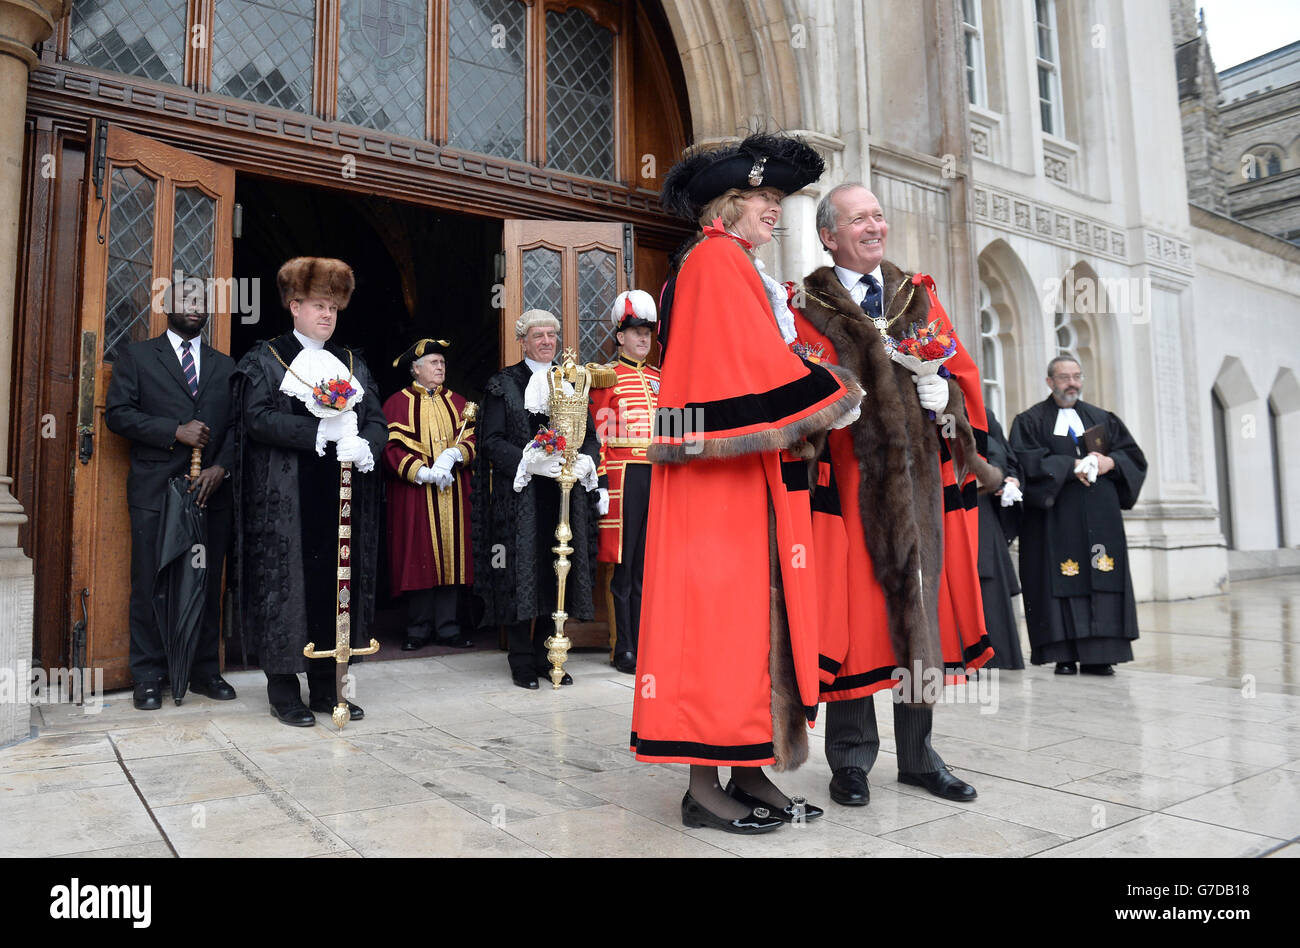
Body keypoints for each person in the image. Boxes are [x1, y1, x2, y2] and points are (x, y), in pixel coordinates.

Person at [630, 133, 862, 835]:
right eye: (763, 200)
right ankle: (704, 790)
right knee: (720, 629)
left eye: (776, 202)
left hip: (739, 477)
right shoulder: (715, 262)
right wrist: (838, 391)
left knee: (755, 628)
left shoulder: (729, 266)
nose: (775, 213)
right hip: (717, 486)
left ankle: (750, 769)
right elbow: (752, 371)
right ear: (726, 206)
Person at [793, 182, 997, 809]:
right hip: (850, 488)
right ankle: (851, 761)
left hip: (920, 487)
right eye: (859, 219)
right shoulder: (805, 308)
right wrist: (825, 415)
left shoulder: (919, 298)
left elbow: (960, 377)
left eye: (879, 215)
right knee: (854, 622)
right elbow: (790, 391)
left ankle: (918, 756)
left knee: (920, 616)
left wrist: (949, 407)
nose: (874, 226)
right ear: (830, 235)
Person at [231, 257, 388, 726]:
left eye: (334, 308)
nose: (327, 315)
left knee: (332, 588)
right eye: (319, 305)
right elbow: (255, 419)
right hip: (286, 498)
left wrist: (367, 444)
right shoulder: (266, 357)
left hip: (342, 495)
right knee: (286, 588)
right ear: (294, 305)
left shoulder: (351, 360)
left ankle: (325, 688)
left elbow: (377, 418)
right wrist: (313, 434)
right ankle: (283, 691)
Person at [105, 301, 238, 710]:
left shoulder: (226, 365)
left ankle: (204, 670)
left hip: (208, 491)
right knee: (151, 582)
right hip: (155, 489)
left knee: (205, 580)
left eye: (202, 303)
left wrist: (221, 467)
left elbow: (238, 427)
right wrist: (173, 431)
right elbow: (118, 415)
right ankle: (148, 675)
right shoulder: (138, 355)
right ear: (168, 307)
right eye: (186, 301)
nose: (195, 308)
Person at [472, 309, 602, 690]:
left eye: (552, 335)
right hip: (521, 496)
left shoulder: (572, 380)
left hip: (564, 492)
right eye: (538, 335)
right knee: (520, 573)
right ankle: (521, 661)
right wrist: (529, 460)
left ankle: (549, 655)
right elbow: (491, 441)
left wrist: (584, 461)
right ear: (523, 340)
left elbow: (589, 433)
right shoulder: (504, 383)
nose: (547, 341)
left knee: (555, 569)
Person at [1009, 356, 1147, 675]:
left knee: (1103, 573)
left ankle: (1102, 655)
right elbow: (1025, 462)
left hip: (1102, 518)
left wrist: (1109, 463)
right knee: (1059, 576)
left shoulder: (1102, 418)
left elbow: (1133, 457)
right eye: (1063, 377)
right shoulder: (1029, 421)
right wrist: (1069, 467)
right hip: (1055, 520)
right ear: (1049, 382)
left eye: (1076, 376)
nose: (1071, 383)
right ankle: (1064, 655)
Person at [382, 339, 476, 650]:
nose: (440, 368)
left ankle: (449, 628)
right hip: (417, 495)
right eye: (433, 363)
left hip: (453, 493)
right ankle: (417, 629)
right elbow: (389, 448)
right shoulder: (397, 402)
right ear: (416, 369)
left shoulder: (460, 402)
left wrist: (456, 456)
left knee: (453, 559)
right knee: (419, 558)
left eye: (442, 363)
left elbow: (474, 441)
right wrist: (421, 471)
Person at [589, 290, 660, 675]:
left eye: (647, 332)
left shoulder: (659, 379)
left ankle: (647, 641)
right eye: (635, 332)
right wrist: (599, 479)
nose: (643, 339)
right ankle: (624, 647)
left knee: (649, 566)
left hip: (657, 474)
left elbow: (674, 432)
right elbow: (597, 433)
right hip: (623, 476)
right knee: (624, 565)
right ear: (619, 337)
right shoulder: (606, 377)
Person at [978, 407, 1025, 670]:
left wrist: (1009, 479)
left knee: (986, 574)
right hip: (937, 504)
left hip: (980, 504)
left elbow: (1003, 454)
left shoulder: (982, 412)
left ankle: (990, 655)